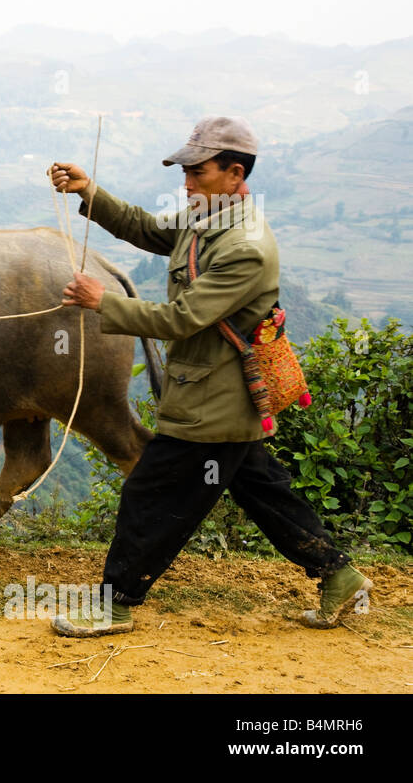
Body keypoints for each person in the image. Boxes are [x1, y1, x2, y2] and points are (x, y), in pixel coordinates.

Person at [49, 115, 371, 637]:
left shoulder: (244, 247)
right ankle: (340, 576)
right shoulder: (209, 215)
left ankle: (114, 603)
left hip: (213, 404)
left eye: (198, 171)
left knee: (151, 496)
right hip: (223, 398)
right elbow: (151, 229)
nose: (187, 182)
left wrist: (99, 301)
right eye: (186, 171)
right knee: (263, 490)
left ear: (234, 173)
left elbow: (181, 320)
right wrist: (92, 191)